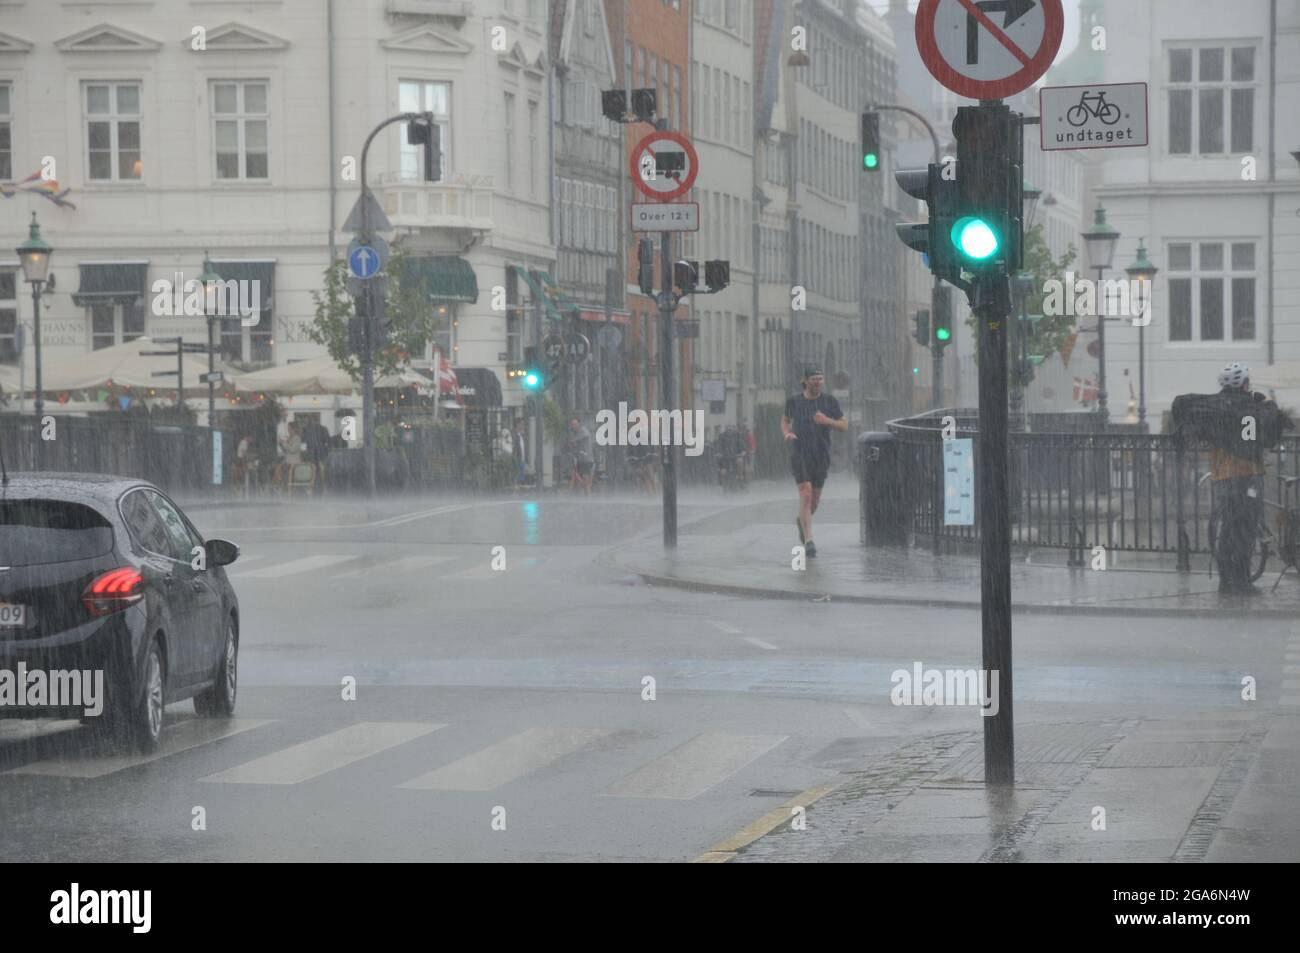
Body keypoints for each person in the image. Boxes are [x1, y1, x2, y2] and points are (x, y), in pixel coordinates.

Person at [782, 366, 847, 558]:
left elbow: (844, 425)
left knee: (815, 499)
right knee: (806, 493)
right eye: (814, 379)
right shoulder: (794, 401)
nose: (817, 382)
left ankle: (801, 521)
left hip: (821, 454)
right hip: (800, 452)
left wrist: (828, 421)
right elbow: (785, 420)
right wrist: (787, 433)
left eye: (820, 378)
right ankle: (809, 539)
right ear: (805, 381)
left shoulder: (829, 401)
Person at [566, 416, 595, 494]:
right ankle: (569, 496)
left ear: (579, 424)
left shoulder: (583, 431)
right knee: (574, 475)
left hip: (586, 459)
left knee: (585, 479)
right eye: (572, 424)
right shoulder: (575, 433)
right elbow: (574, 445)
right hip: (580, 459)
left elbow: (584, 436)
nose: (573, 426)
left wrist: (573, 441)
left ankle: (588, 496)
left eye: (575, 424)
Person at [512, 418, 528, 485]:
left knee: (522, 479)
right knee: (518, 479)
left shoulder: (522, 436)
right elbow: (514, 449)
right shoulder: (514, 436)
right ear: (518, 425)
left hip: (522, 461)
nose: (523, 426)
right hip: (517, 461)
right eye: (522, 424)